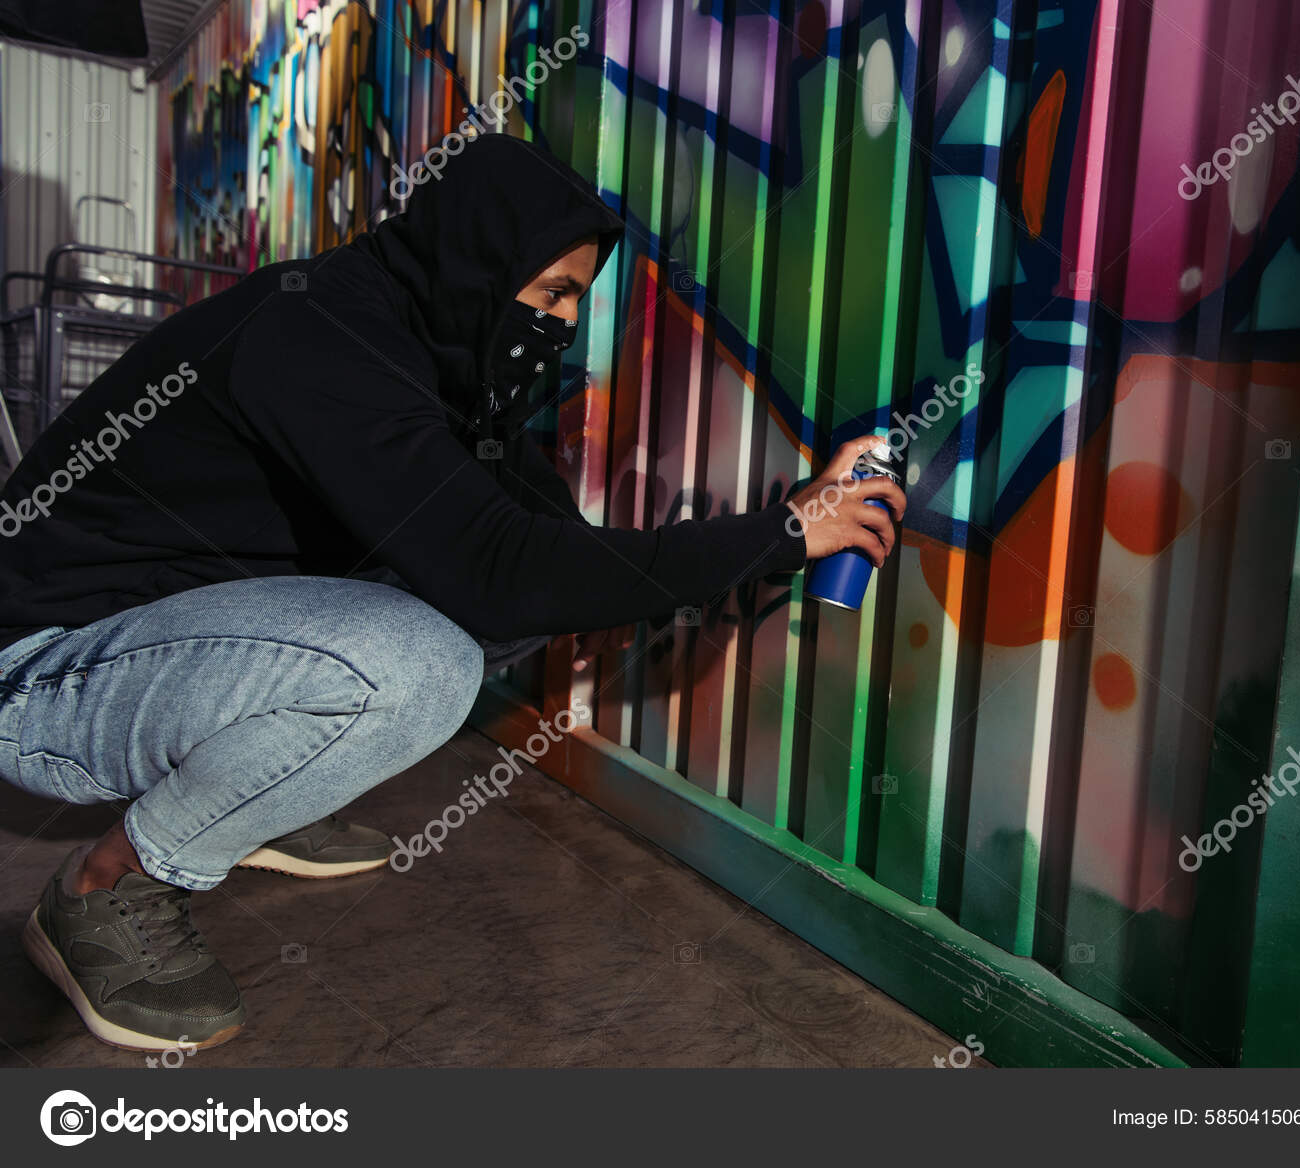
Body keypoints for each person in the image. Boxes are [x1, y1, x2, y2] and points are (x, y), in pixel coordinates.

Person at [0, 134, 904, 1052]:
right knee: (422, 662)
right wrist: (784, 535)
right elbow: (499, 567)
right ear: (478, 262)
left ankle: (250, 802)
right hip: (45, 673)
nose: (558, 323)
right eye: (551, 293)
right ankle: (107, 888)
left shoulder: (423, 335)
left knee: (494, 613)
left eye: (574, 302)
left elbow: (524, 514)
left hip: (163, 639)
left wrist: (627, 581)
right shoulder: (315, 335)